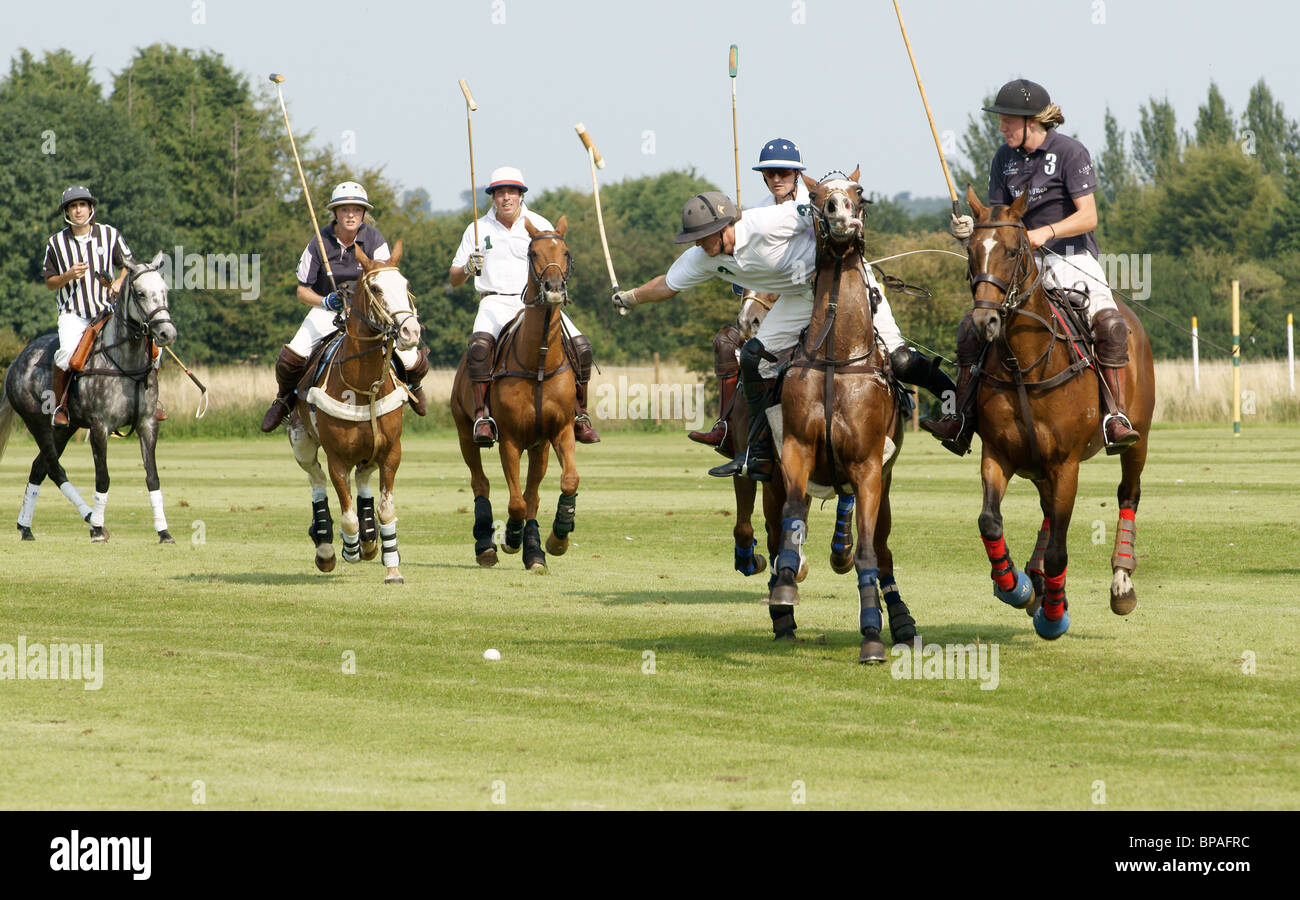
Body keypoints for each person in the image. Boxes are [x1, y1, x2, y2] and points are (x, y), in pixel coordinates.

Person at [613, 189, 953, 482]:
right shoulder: (704, 257)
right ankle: (758, 449)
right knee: (753, 357)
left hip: (845, 279)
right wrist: (631, 297)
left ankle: (956, 406)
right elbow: (668, 284)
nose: (699, 244)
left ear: (724, 226)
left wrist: (845, 220)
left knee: (901, 358)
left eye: (702, 236)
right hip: (801, 297)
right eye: (695, 239)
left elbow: (821, 211)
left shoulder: (767, 220)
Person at [924, 78, 1140, 455]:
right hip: (1020, 263)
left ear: (1031, 122)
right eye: (1002, 122)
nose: (1001, 128)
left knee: (1110, 324)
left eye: (1007, 121)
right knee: (973, 327)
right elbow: (996, 218)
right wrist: (969, 231)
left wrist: (1045, 232)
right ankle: (961, 418)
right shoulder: (1003, 159)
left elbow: (1088, 216)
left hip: (1072, 258)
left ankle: (1114, 416)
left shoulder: (1071, 152)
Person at [261, 181, 430, 432]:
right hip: (328, 311)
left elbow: (386, 277)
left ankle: (413, 386)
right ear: (335, 214)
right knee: (290, 357)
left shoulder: (374, 239)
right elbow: (301, 290)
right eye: (344, 210)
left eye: (356, 210)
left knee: (413, 360)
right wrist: (324, 301)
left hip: (369, 314)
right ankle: (284, 399)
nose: (350, 215)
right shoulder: (320, 241)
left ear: (363, 214)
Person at [449, 166, 599, 446]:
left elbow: (557, 261)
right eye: (500, 192)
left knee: (582, 346)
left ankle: (580, 414)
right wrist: (469, 266)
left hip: (536, 305)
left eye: (512, 192)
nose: (506, 198)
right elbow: (454, 277)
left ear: (520, 195)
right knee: (479, 348)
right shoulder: (477, 228)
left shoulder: (539, 223)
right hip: (494, 301)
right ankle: (483, 416)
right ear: (493, 197)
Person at [689, 138, 810, 453]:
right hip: (770, 302)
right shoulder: (756, 214)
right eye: (770, 173)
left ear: (797, 173)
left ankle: (897, 396)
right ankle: (729, 427)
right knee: (729, 344)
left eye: (783, 172)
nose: (776, 179)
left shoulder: (815, 204)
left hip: (812, 297)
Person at [42, 186, 135, 427]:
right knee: (66, 354)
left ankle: (149, 403)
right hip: (73, 313)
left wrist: (118, 282)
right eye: (73, 207)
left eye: (82, 205)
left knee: (147, 345)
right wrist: (68, 275)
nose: (78, 210)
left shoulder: (109, 235)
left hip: (107, 312)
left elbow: (128, 263)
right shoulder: (56, 243)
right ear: (67, 212)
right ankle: (60, 407)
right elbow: (50, 284)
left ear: (90, 208)